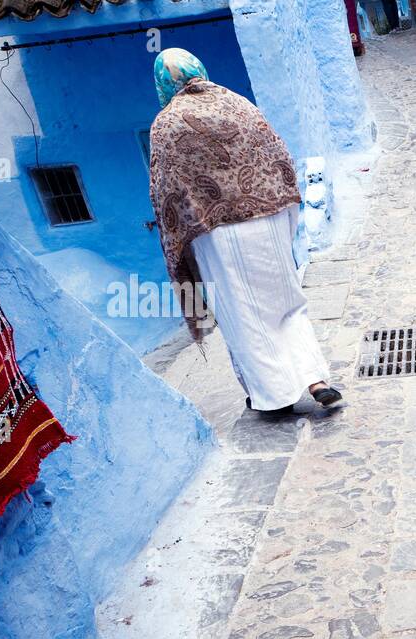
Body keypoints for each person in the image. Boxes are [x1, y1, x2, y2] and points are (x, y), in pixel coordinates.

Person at [148, 48, 342, 413]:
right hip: (268, 219)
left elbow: (166, 191)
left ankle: (275, 396)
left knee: (244, 314)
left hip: (217, 233)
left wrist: (180, 243)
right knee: (286, 302)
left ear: (163, 82)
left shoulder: (166, 123)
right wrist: (283, 218)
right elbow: (277, 157)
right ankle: (316, 380)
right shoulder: (237, 104)